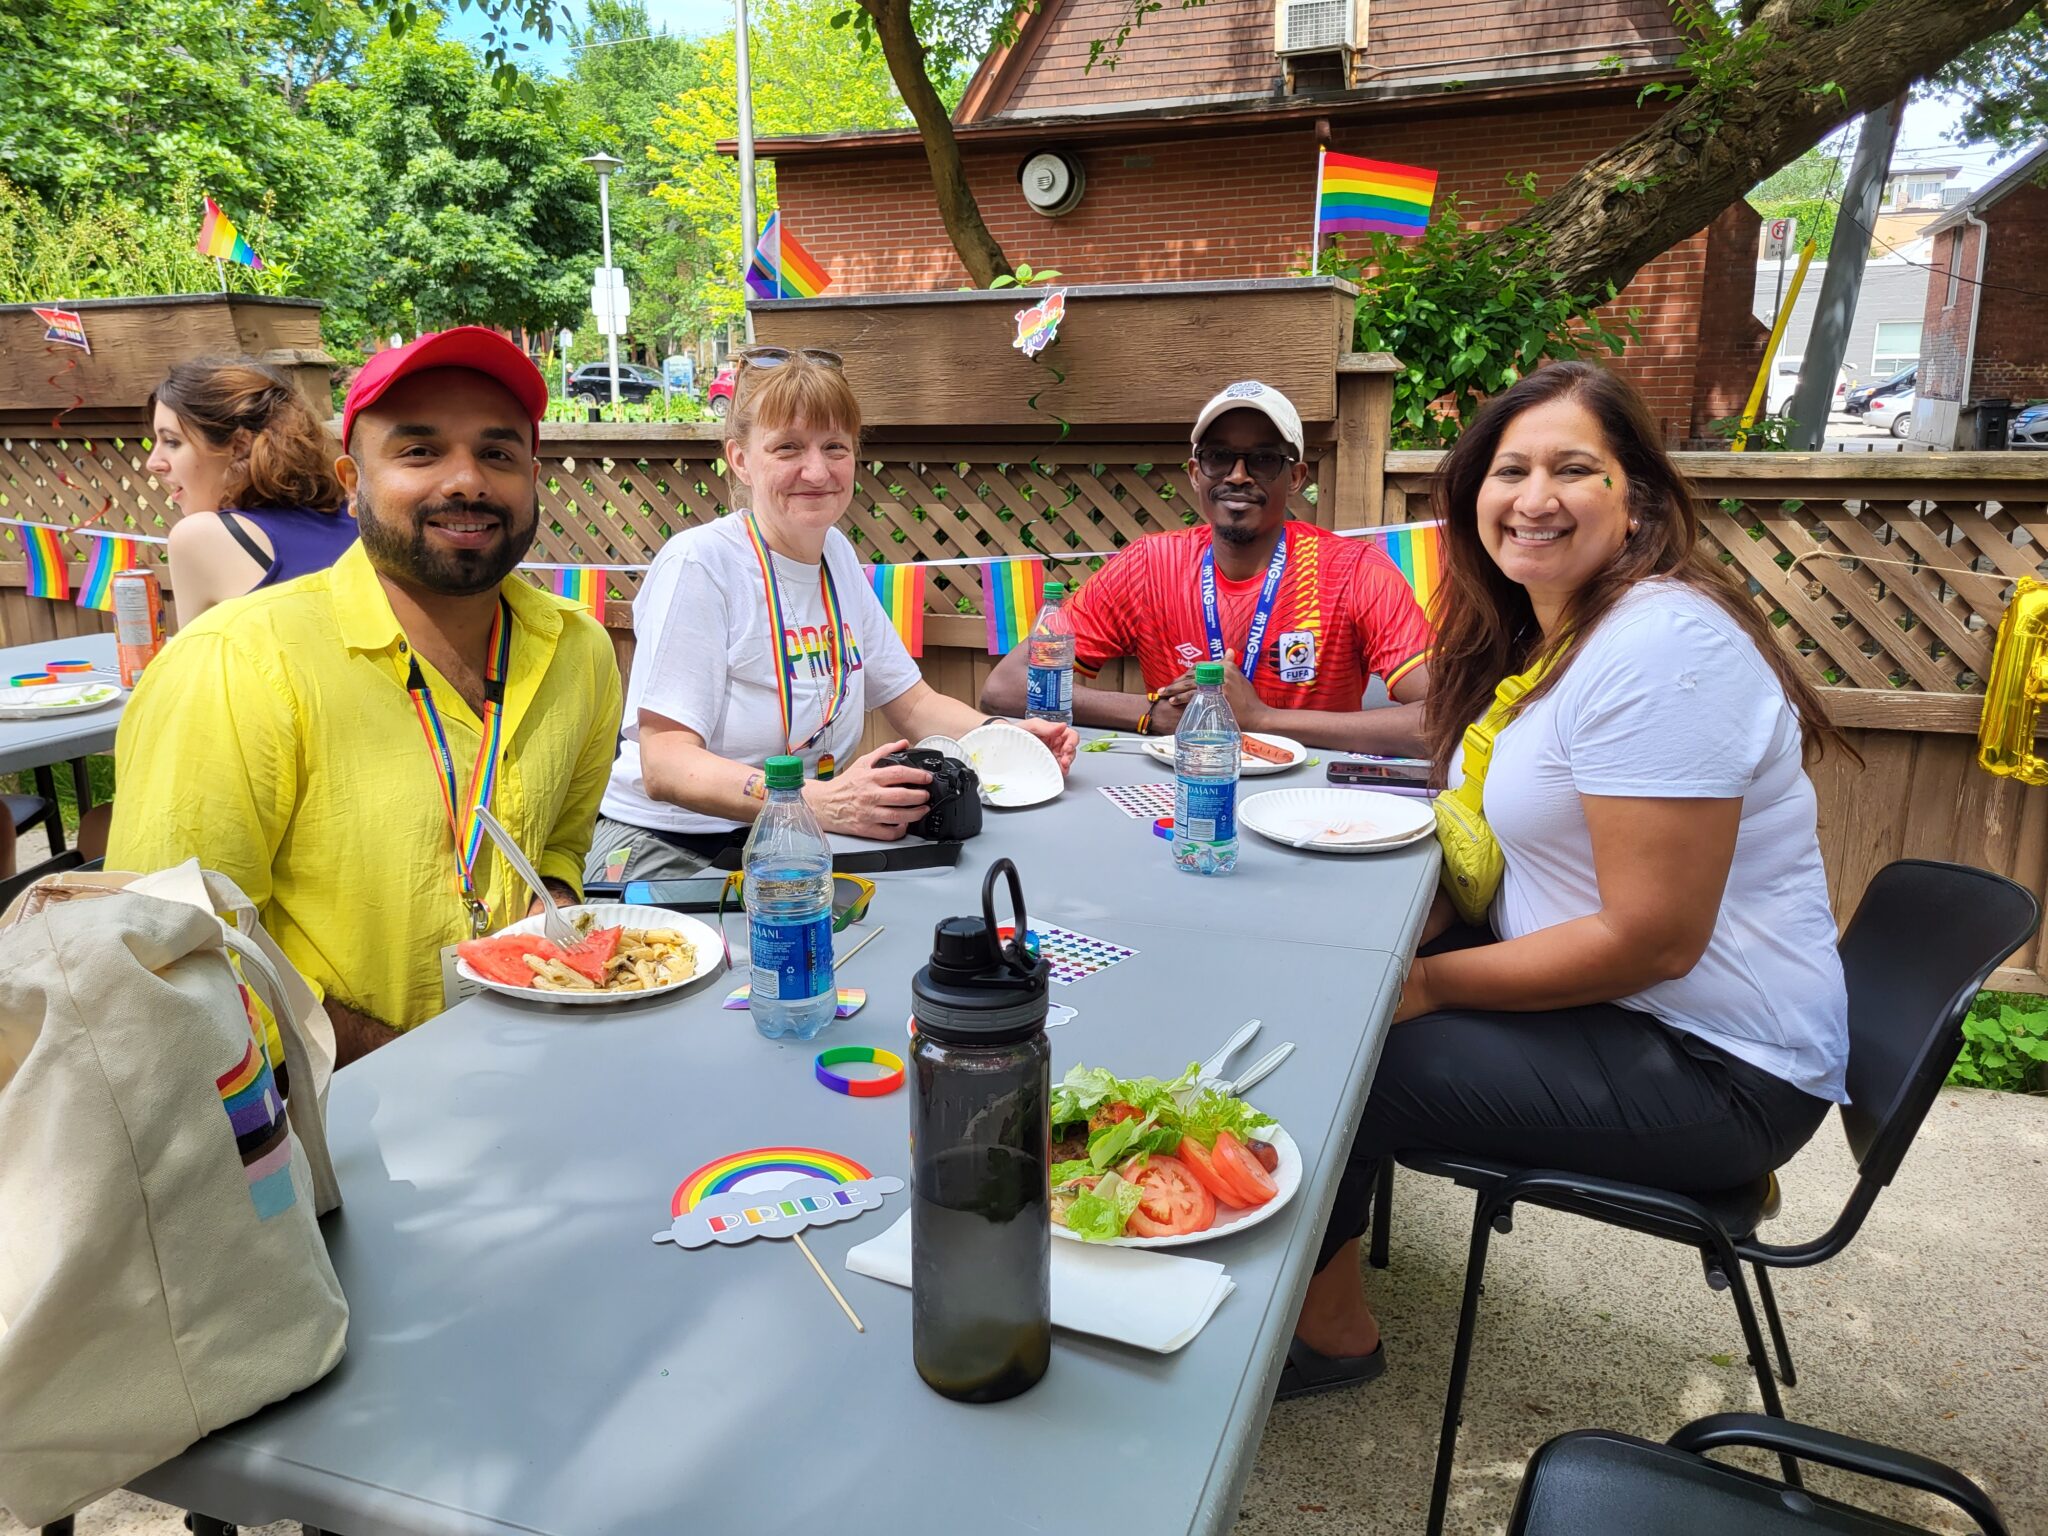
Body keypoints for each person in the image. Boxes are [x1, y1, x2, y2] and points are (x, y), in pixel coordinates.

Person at [1282, 362, 1850, 1398]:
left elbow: (1649, 938)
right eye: (1509, 470)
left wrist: (1429, 985)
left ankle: (1327, 1334)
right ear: (1471, 501)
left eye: (1571, 468)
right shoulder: (1553, 641)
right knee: (1316, 985)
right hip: (1618, 1014)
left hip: (1716, 1067)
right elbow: (1498, 844)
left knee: (1341, 1057)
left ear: (1633, 501)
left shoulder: (1660, 648)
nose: (1532, 497)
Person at [109, 327, 623, 1063]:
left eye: (497, 453)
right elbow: (172, 949)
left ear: (533, 477)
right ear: (351, 483)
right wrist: (403, 1059)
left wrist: (557, 918)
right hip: (323, 1116)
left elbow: (560, 846)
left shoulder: (580, 652)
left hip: (533, 1063)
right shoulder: (233, 664)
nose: (466, 481)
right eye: (419, 451)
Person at [587, 347, 1077, 884]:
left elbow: (913, 704)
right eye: (788, 448)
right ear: (741, 459)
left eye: (834, 447)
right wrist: (821, 801)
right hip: (673, 848)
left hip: (793, 837)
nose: (816, 471)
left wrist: (1011, 735)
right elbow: (666, 763)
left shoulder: (835, 554)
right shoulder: (701, 563)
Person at [979, 381, 1433, 753]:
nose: (1238, 475)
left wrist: (1262, 719)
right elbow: (1006, 687)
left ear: (1294, 478)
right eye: (1219, 457)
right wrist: (1152, 713)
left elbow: (1439, 720)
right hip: (1183, 786)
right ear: (1196, 473)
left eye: (1263, 459)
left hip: (1310, 805)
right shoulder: (1149, 565)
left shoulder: (1355, 570)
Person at [148, 359, 358, 626]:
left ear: (238, 447)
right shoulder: (355, 516)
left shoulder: (199, 536)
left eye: (172, 442)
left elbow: (193, 666)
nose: (153, 462)